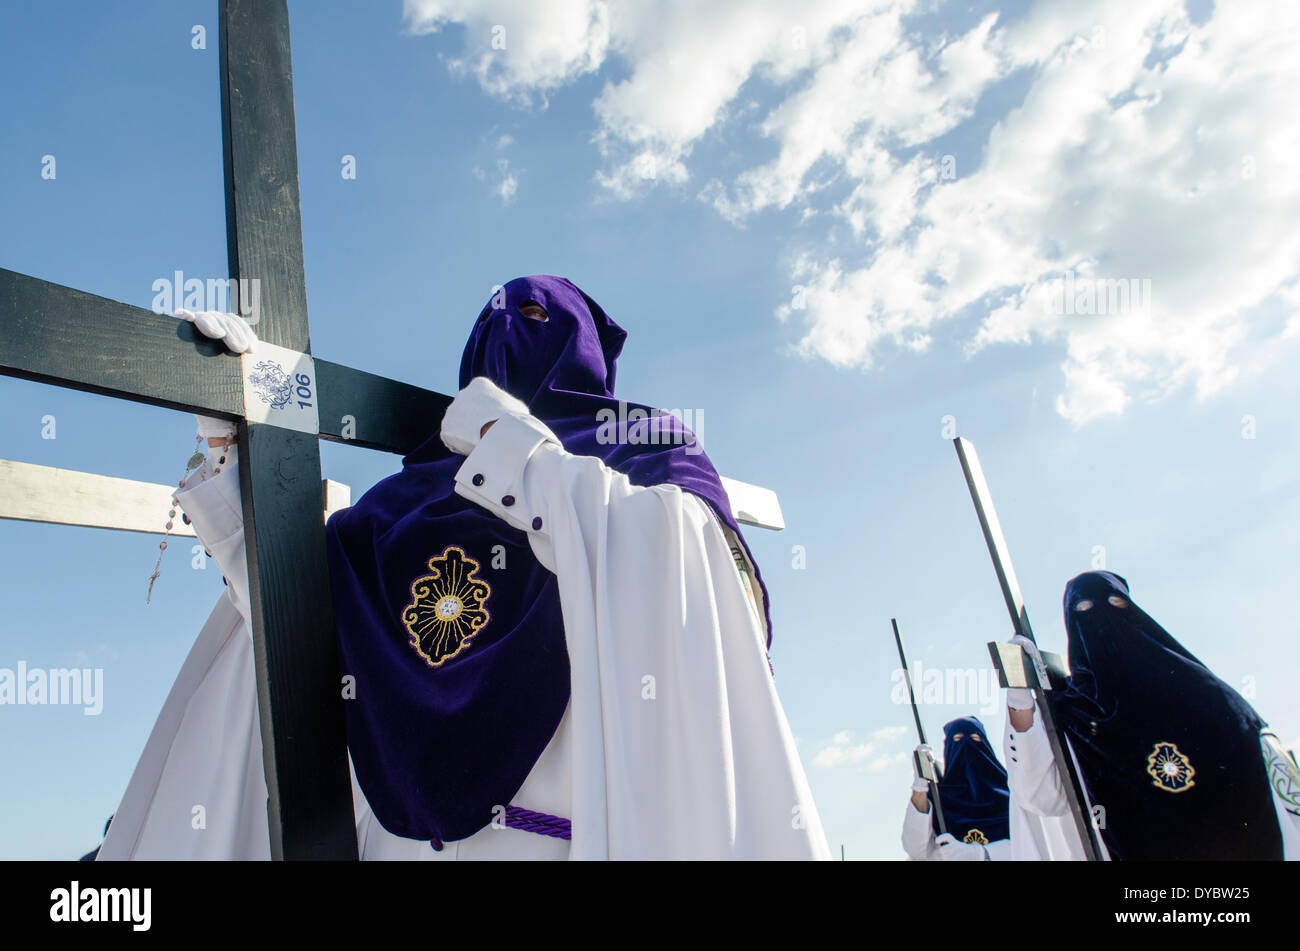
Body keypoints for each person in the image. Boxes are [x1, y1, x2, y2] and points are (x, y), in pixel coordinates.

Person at [99, 276, 829, 860]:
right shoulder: (405, 502)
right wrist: (233, 444)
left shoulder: (637, 451)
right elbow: (295, 611)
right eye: (494, 318)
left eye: (541, 314)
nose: (511, 328)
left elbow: (705, 587)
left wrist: (518, 453)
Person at [1003, 570, 1300, 860]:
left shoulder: (1205, 693)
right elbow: (1041, 794)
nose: (1103, 621)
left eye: (1115, 605)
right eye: (1084, 610)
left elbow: (1278, 783)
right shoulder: (1075, 711)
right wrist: (1019, 696)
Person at [901, 717, 1011, 860]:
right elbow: (916, 850)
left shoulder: (1013, 794)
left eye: (974, 738)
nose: (966, 746)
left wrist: (982, 853)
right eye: (957, 740)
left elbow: (1035, 844)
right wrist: (920, 787)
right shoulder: (939, 800)